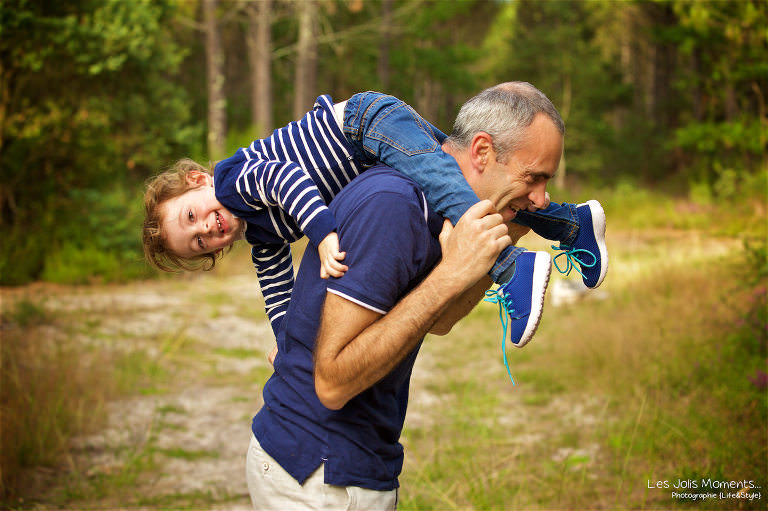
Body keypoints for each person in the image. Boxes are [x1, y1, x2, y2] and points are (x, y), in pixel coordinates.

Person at [246, 82, 589, 510]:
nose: (541, 197)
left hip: (357, 466)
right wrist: (448, 275)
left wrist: (493, 245)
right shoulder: (393, 206)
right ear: (481, 152)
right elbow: (332, 382)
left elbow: (437, 320)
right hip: (316, 474)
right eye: (533, 177)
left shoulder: (434, 206)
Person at [142, 88, 607, 353]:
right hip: (373, 147)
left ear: (197, 179)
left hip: (365, 125)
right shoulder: (263, 236)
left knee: (448, 188)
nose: (206, 228)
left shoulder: (231, 181)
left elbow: (284, 179)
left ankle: (511, 268)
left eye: (191, 216)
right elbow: (277, 294)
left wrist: (321, 232)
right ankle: (573, 225)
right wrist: (288, 347)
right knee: (467, 182)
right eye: (199, 243)